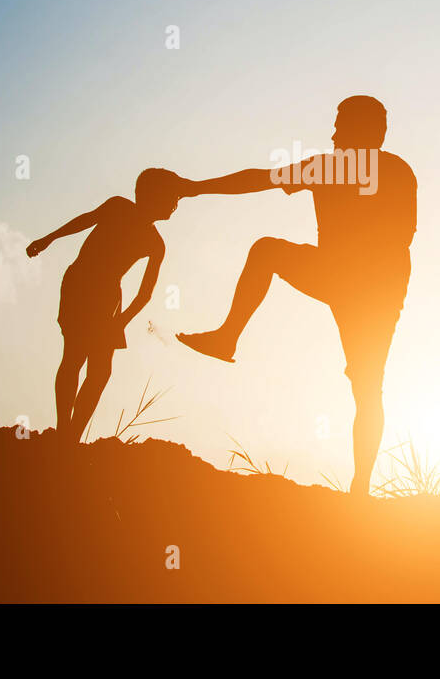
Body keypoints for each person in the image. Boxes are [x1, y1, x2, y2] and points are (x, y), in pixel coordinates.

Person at [175, 96, 416, 496]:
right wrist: (195, 188)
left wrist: (194, 188)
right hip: (355, 281)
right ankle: (226, 337)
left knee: (367, 387)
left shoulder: (371, 169)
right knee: (368, 388)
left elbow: (259, 179)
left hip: (366, 288)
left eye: (341, 125)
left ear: (370, 131)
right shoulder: (351, 168)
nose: (334, 132)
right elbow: (260, 178)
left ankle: (360, 489)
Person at [26, 168, 182, 443]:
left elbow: (146, 293)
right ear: (151, 196)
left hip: (109, 296)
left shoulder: (156, 243)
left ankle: (70, 437)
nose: (176, 203)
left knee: (100, 370)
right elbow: (83, 221)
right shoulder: (118, 206)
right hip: (81, 284)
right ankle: (66, 434)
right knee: (75, 356)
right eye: (172, 196)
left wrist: (121, 320)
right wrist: (47, 239)